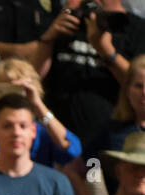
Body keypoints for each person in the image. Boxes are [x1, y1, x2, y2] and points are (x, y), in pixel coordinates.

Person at [34, 0, 145, 150]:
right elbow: (34, 78)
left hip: (110, 138)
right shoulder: (67, 21)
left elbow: (139, 84)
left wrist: (106, 51)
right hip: (58, 136)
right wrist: (48, 39)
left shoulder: (135, 28)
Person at [0, 59, 80, 174]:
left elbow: (71, 150)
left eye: (17, 91)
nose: (12, 99)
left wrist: (38, 104)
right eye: (4, 91)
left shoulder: (41, 134)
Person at [92, 53, 145, 195]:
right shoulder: (112, 131)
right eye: (138, 86)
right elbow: (84, 166)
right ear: (127, 90)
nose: (144, 93)